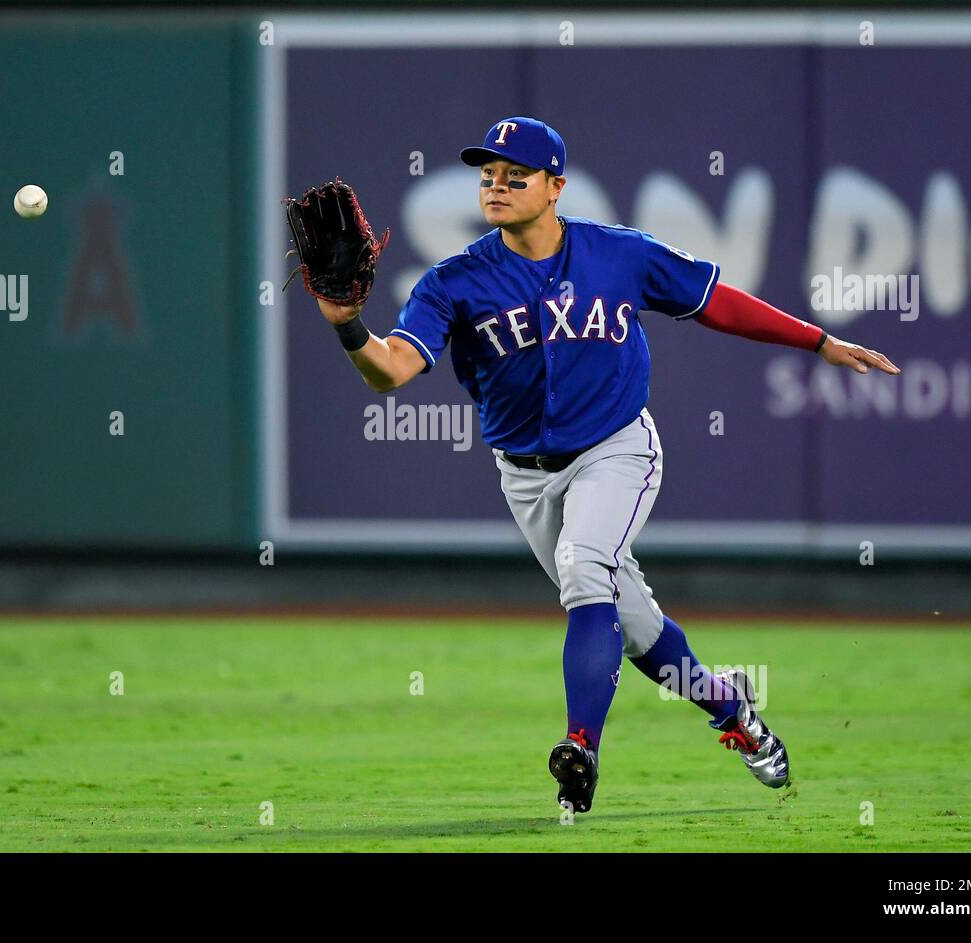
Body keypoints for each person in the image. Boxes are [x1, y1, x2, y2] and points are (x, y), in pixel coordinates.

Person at [313, 116, 900, 813]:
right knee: (638, 629)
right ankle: (731, 707)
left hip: (616, 448)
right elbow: (390, 372)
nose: (496, 188)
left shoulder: (617, 254)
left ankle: (580, 749)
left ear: (556, 186)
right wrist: (347, 322)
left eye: (515, 177)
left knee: (584, 568)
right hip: (525, 475)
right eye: (487, 177)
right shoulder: (454, 281)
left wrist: (817, 341)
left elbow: (715, 302)